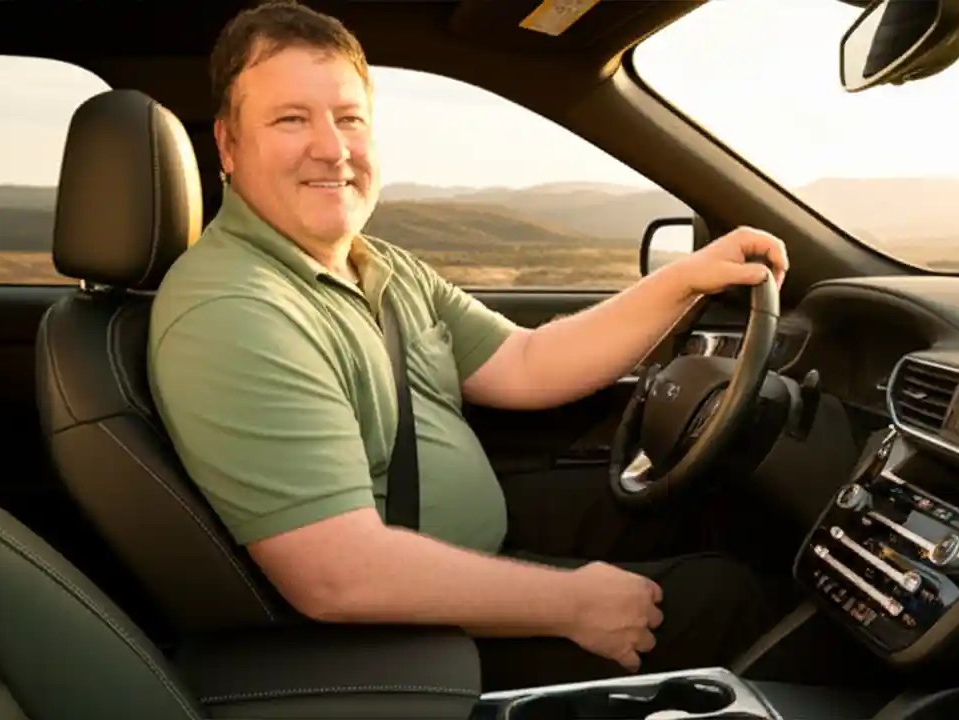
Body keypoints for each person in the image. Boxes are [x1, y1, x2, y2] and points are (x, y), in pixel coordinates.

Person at [148, 0, 796, 691]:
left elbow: (525, 363)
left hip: (450, 550)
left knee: (706, 509)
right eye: (290, 119)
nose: (332, 149)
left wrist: (686, 281)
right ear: (227, 146)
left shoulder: (377, 267)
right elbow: (336, 574)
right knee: (727, 601)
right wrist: (572, 605)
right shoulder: (236, 311)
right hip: (405, 642)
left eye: (348, 118)